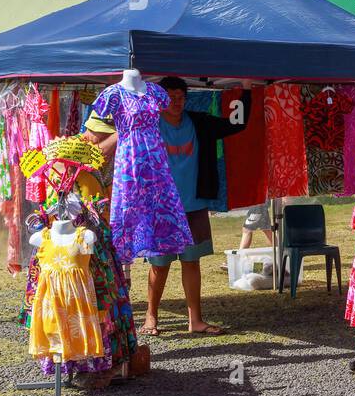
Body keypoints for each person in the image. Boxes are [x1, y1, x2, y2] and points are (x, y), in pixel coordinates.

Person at [86, 76, 250, 336]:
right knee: (159, 265)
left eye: (180, 97)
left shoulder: (198, 122)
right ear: (160, 100)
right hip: (159, 205)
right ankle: (151, 316)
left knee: (192, 261)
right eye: (170, 97)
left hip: (193, 204)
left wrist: (247, 92)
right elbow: (103, 138)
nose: (175, 102)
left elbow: (235, 125)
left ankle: (195, 319)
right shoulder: (149, 122)